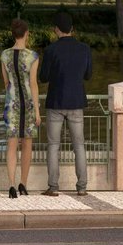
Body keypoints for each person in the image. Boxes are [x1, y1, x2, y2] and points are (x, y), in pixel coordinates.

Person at [38, 10, 93, 196]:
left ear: (56, 29)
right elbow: (88, 75)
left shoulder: (51, 50)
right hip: (76, 102)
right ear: (72, 29)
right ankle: (82, 187)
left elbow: (43, 77)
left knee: (53, 146)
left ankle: (53, 187)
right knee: (79, 146)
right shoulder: (84, 49)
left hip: (55, 102)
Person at [0, 18, 40, 198]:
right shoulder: (33, 56)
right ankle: (23, 183)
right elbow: (33, 84)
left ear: (13, 34)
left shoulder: (4, 55)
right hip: (28, 104)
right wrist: (37, 112)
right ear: (26, 34)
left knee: (11, 144)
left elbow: (6, 82)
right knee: (27, 144)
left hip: (12, 103)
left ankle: (11, 185)